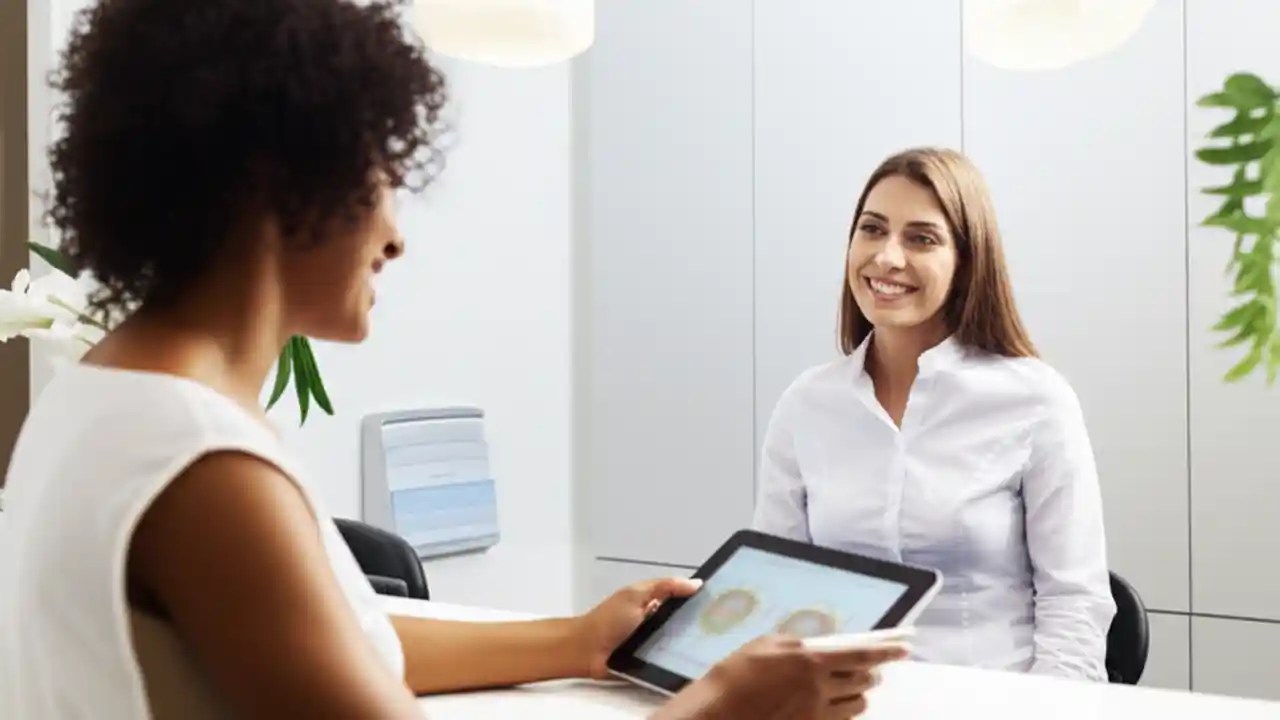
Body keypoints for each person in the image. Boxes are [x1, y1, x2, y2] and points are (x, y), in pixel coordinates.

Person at [0, 1, 906, 718]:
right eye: (383, 178)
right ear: (281, 182)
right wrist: (721, 711)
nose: (394, 236)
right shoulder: (201, 464)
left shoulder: (107, 397)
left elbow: (331, 641)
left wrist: (577, 638)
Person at [753, 147, 1116, 681]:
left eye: (921, 238)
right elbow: (772, 589)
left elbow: (1074, 604)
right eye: (872, 230)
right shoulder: (807, 405)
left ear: (968, 261)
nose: (887, 258)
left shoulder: (1035, 400)